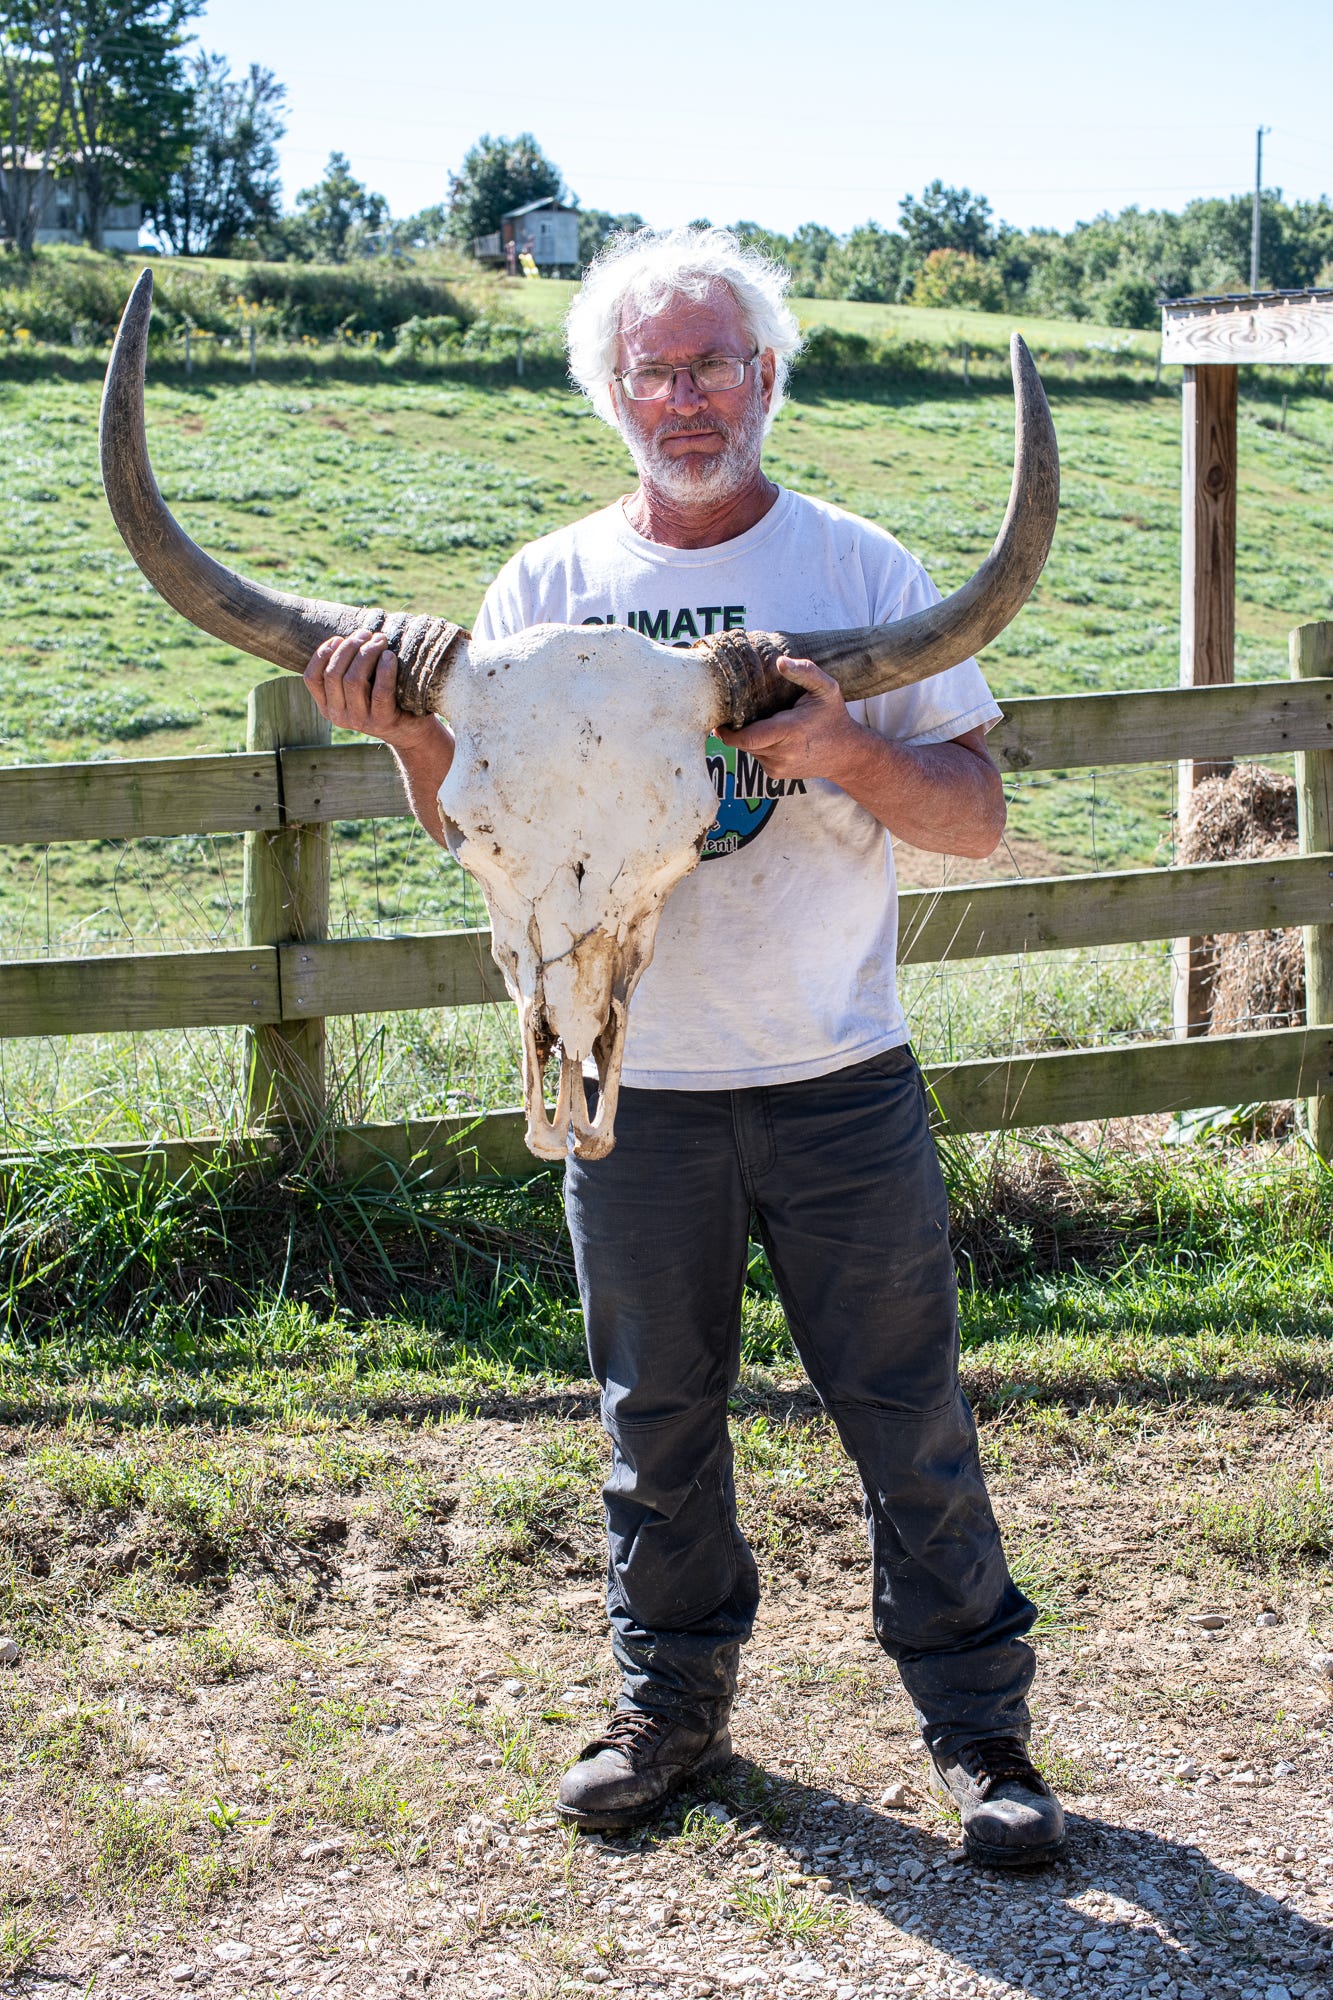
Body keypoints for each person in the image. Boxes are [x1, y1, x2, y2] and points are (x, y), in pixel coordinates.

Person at [302, 226, 1066, 1869]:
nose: (686, 395)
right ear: (610, 395)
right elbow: (475, 834)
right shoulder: (546, 588)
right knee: (653, 1414)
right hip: (627, 1079)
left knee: (901, 1404)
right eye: (651, 370)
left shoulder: (860, 573)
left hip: (836, 1070)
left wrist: (851, 748)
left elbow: (980, 818)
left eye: (715, 362)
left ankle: (981, 1734)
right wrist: (410, 732)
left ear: (767, 376)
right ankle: (671, 1714)